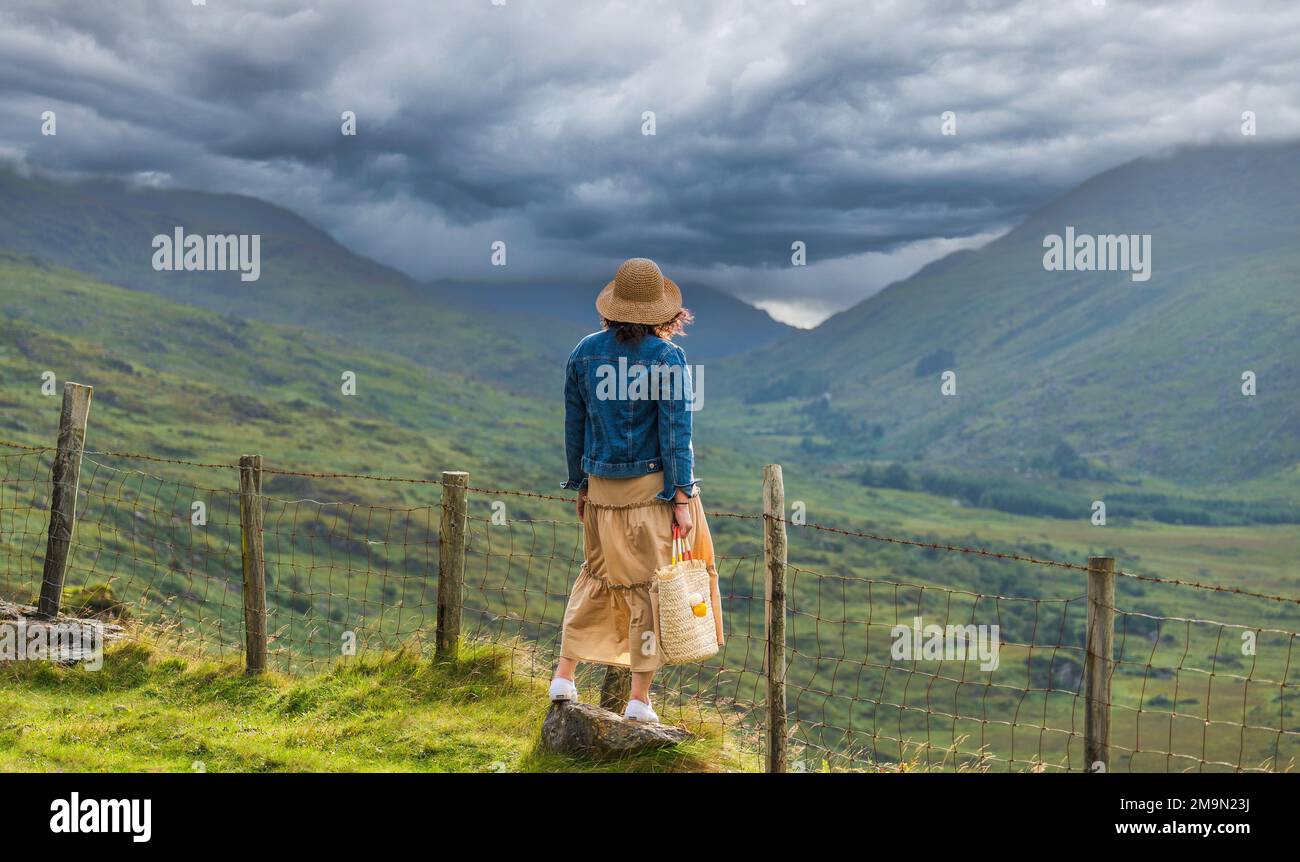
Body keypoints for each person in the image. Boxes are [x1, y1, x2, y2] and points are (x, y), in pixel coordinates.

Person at [550, 258, 723, 722]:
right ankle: (638, 701)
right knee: (651, 589)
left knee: (598, 577)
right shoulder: (667, 357)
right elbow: (674, 432)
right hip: (650, 492)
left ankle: (563, 676)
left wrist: (581, 484)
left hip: (602, 490)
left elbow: (575, 426)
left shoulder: (584, 352)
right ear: (663, 312)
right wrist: (682, 497)